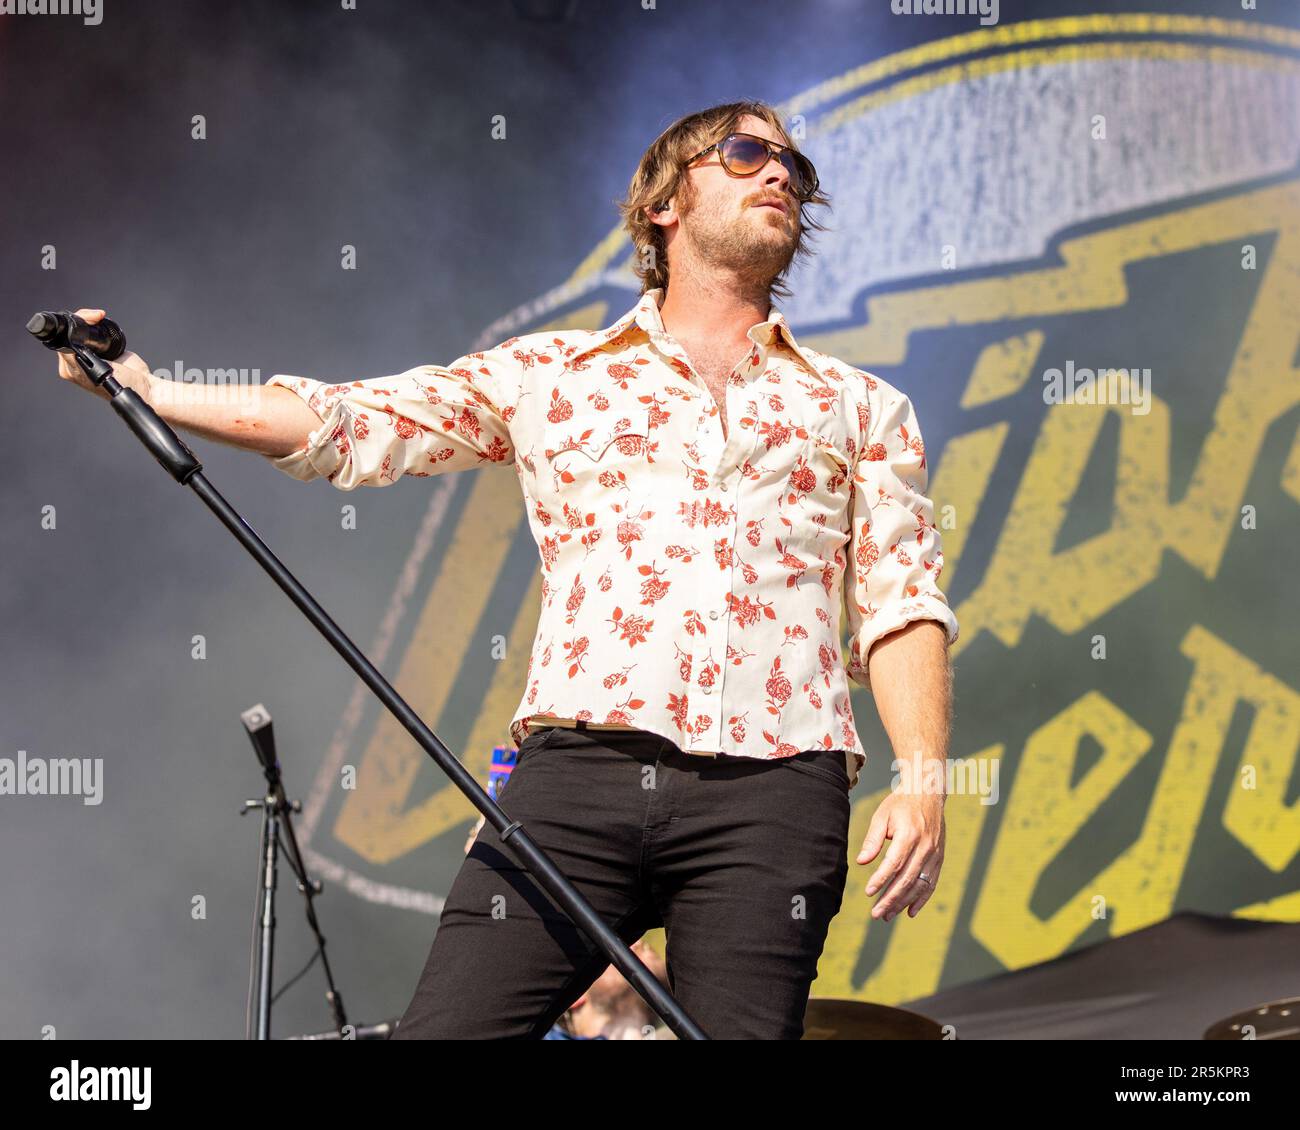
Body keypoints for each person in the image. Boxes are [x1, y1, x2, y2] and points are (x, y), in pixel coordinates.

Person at [53, 99, 958, 1040]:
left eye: (794, 169)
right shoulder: (555, 374)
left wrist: (925, 777)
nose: (779, 174)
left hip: (774, 794)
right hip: (578, 777)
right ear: (664, 200)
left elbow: (904, 602)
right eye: (745, 152)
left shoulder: (862, 407)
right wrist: (154, 392)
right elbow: (354, 424)